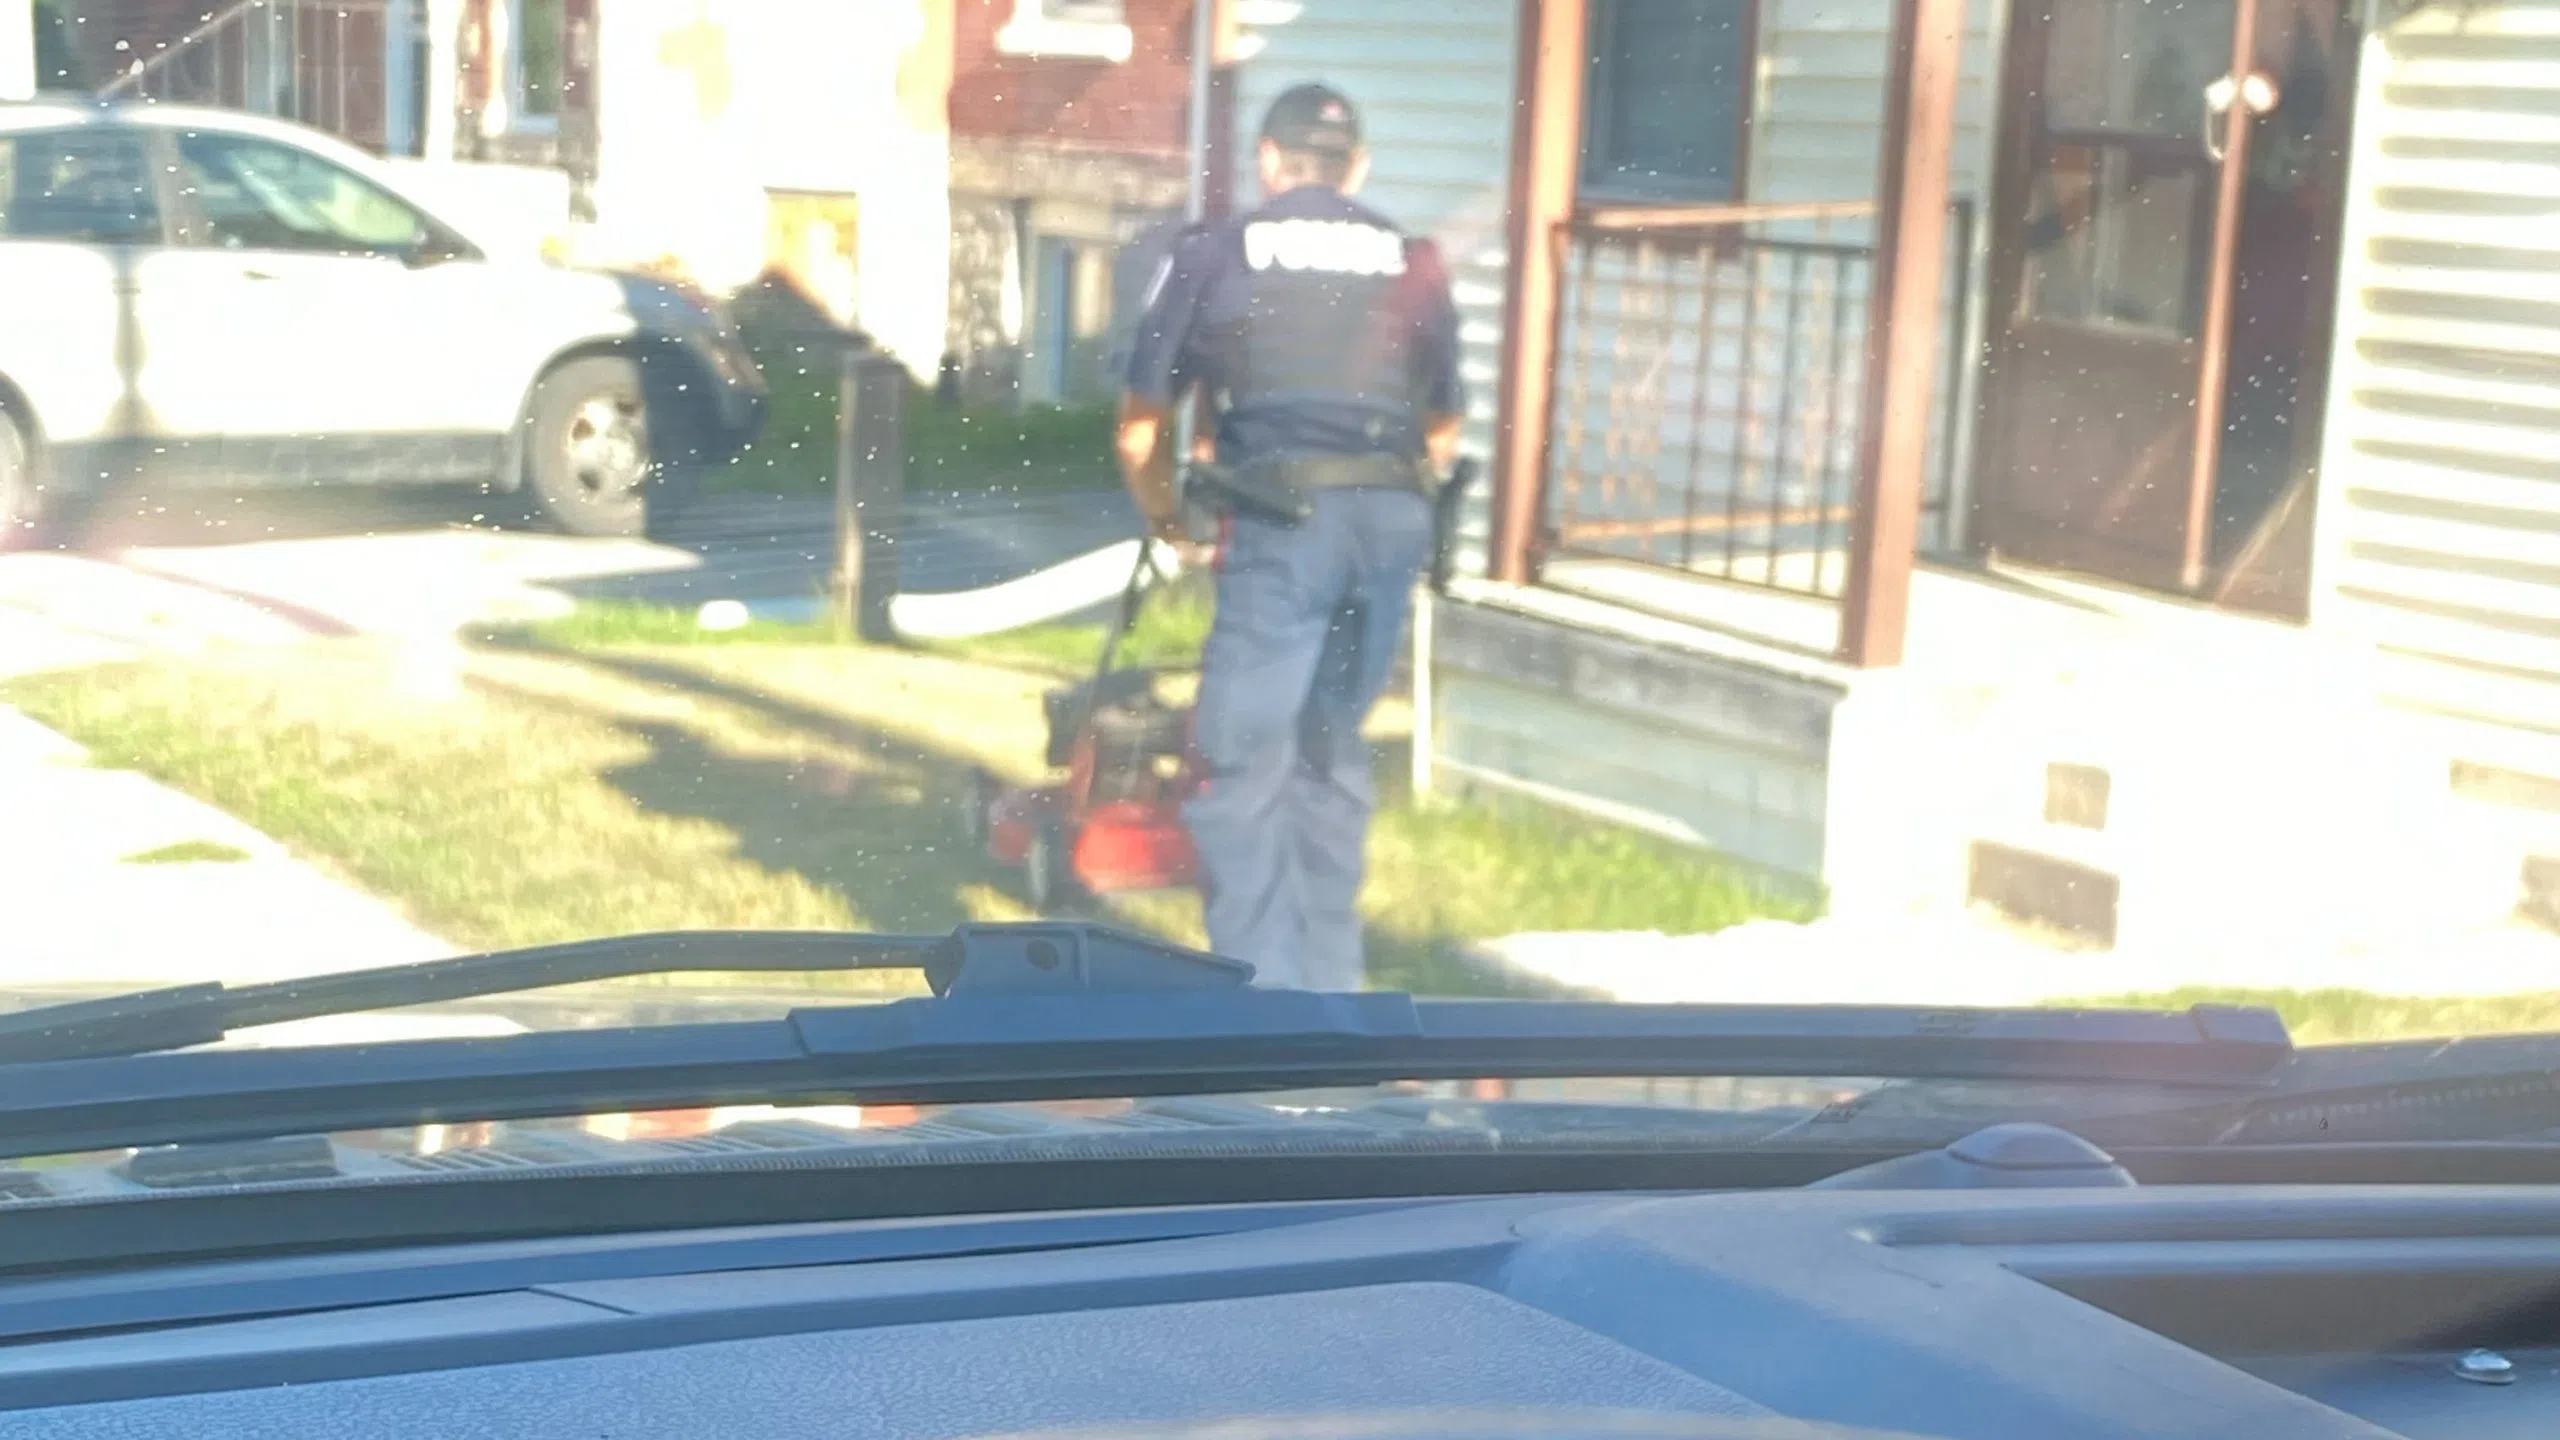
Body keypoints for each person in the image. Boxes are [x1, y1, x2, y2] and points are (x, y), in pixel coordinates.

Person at [1114, 83, 1465, 991]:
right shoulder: (1413, 258)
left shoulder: (1216, 250)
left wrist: (1171, 522)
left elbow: (1140, 431)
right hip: (1393, 520)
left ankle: (1261, 1007)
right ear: (1360, 168)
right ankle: (1331, 999)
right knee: (1330, 752)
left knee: (1242, 763)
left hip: (1285, 523)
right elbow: (1442, 430)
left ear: (1269, 160)